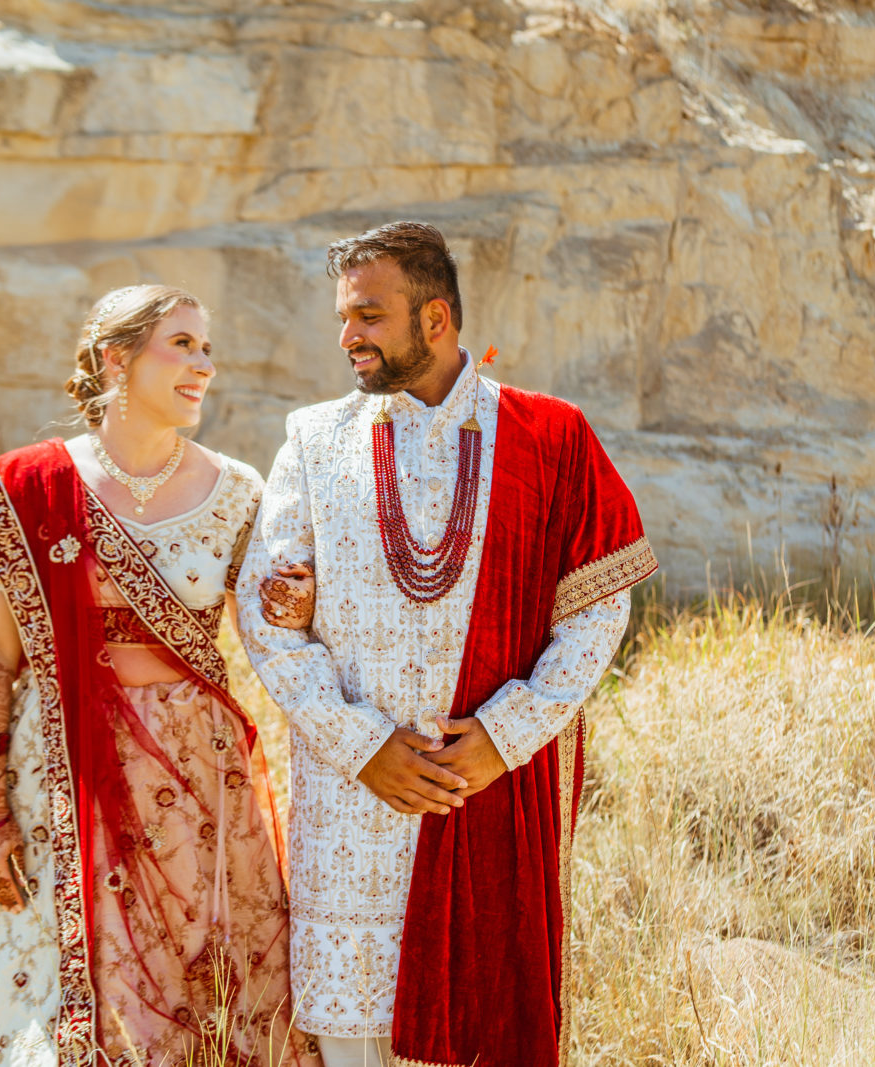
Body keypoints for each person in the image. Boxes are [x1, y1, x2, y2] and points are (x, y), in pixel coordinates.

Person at [0, 285, 321, 1067]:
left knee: (199, 990)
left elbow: (274, 634)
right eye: (182, 344)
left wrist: (298, 597)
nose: (204, 364)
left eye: (207, 348)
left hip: (197, 785)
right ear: (115, 358)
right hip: (59, 771)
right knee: (63, 989)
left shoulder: (237, 492)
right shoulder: (26, 489)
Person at [236, 222, 658, 1067]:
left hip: (489, 791)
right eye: (343, 317)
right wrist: (362, 746)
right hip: (356, 804)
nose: (348, 335)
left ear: (436, 319)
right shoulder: (315, 442)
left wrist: (506, 737)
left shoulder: (551, 437)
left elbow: (598, 606)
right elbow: (268, 616)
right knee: (356, 1038)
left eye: (369, 314)